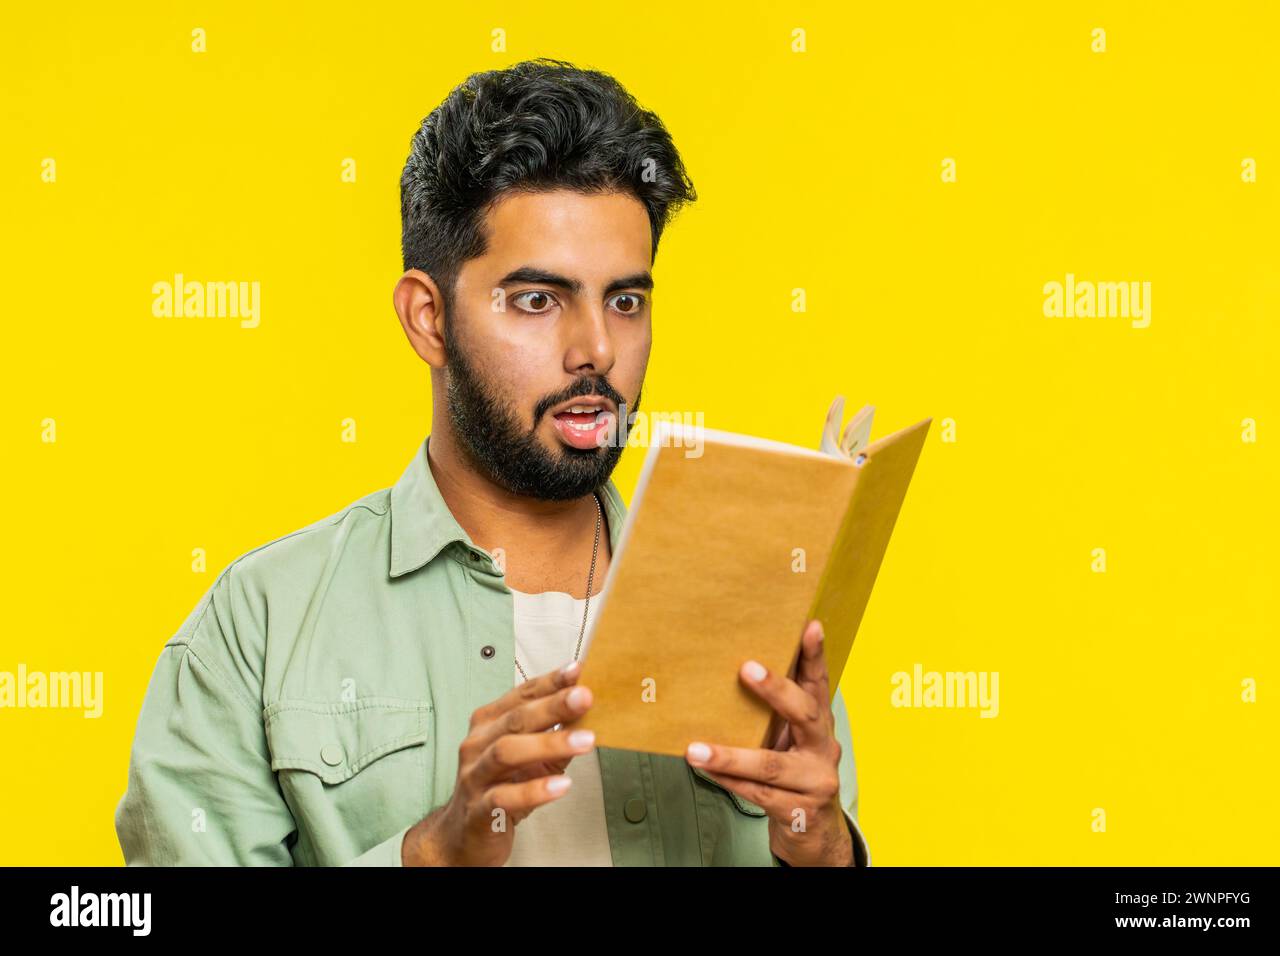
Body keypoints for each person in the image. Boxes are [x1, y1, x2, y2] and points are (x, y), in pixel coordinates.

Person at [114, 57, 869, 867]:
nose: (597, 351)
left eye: (626, 299)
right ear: (428, 318)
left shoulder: (754, 606)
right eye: (538, 300)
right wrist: (431, 853)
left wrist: (825, 849)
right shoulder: (257, 627)